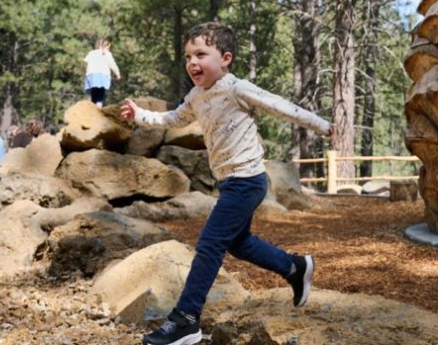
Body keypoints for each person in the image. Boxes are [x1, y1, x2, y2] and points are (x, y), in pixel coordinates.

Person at [121, 22, 332, 345]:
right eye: (189, 56)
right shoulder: (196, 96)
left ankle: (186, 319)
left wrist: (321, 125)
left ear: (226, 58)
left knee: (210, 244)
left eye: (202, 54)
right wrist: (139, 114)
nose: (193, 62)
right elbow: (171, 119)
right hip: (230, 184)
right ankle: (294, 267)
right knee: (238, 242)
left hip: (248, 181)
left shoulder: (237, 88)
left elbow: (279, 106)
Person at [84, 39, 122, 107]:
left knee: (94, 93)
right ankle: (98, 108)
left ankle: (93, 107)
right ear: (106, 46)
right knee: (100, 94)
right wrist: (118, 74)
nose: (109, 49)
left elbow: (85, 61)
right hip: (103, 76)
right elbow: (113, 65)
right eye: (108, 47)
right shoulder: (108, 54)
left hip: (91, 75)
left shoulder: (92, 52)